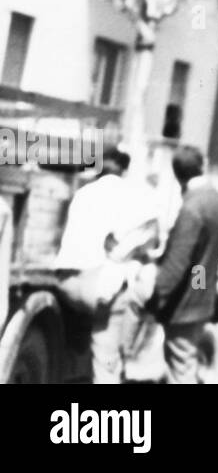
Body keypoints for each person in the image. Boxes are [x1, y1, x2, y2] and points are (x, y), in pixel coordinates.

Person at [54, 146, 160, 384]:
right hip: (100, 286)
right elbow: (148, 240)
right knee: (106, 356)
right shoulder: (132, 195)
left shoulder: (83, 192)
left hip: (67, 282)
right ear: (125, 169)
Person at [145, 145, 218, 384]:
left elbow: (178, 263)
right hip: (202, 298)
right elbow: (201, 263)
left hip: (184, 308)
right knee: (187, 366)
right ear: (203, 165)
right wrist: (198, 288)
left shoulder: (193, 208)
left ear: (177, 174)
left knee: (182, 371)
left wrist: (156, 298)